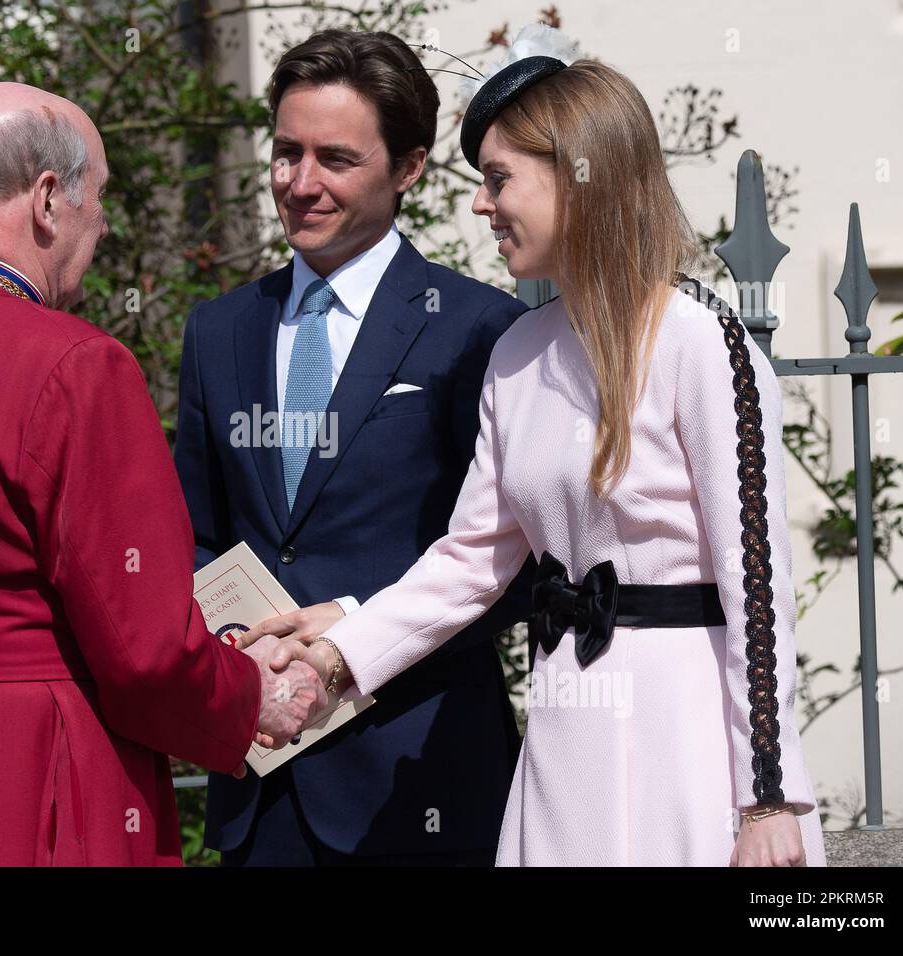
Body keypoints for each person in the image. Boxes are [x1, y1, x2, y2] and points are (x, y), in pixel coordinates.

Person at [253, 22, 828, 866]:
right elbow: (471, 561)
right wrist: (339, 654)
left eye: (498, 179)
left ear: (580, 176)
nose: (480, 205)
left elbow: (758, 585)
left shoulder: (702, 340)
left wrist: (769, 797)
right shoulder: (518, 352)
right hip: (565, 733)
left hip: (689, 741)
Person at [0, 82, 327, 867]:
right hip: (24, 777)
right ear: (47, 199)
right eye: (97, 197)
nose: (101, 223)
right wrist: (253, 698)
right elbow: (144, 652)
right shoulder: (77, 364)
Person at [174, 30, 537, 866]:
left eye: (335, 158)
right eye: (286, 153)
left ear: (408, 167)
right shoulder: (219, 329)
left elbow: (528, 567)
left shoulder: (483, 330)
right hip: (260, 781)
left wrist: (367, 623)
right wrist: (232, 651)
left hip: (420, 777)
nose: (300, 184)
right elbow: (194, 530)